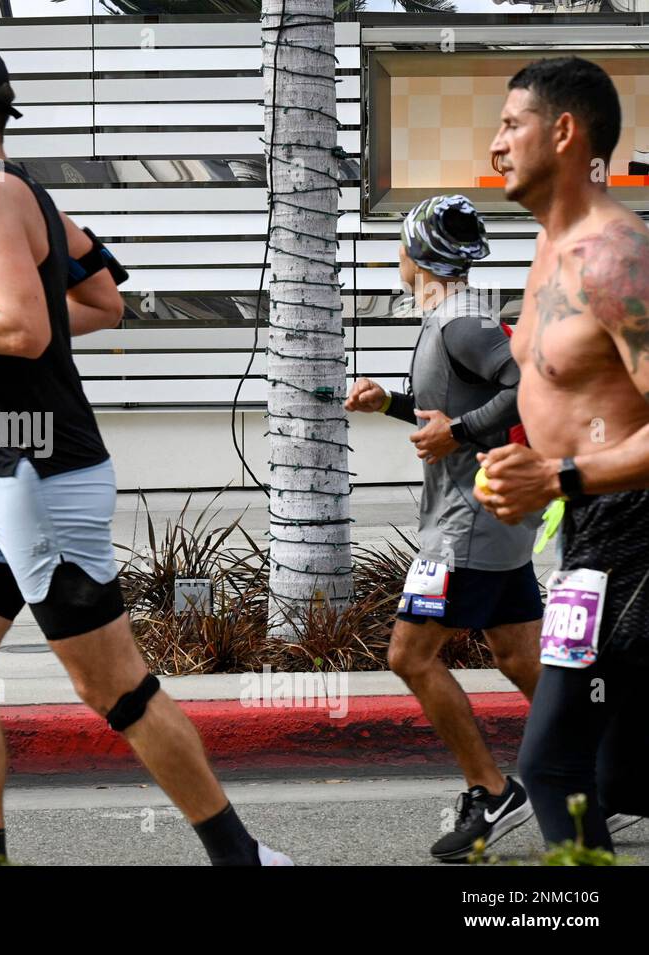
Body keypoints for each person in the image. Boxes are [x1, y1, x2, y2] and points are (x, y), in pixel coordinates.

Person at [0, 38, 291, 866]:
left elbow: (28, 331)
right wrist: (35, 299)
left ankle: (240, 856)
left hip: (42, 477)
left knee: (116, 688)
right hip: (2, 473)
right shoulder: (20, 190)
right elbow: (102, 300)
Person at [474, 56, 649, 852]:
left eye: (512, 124)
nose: (497, 144)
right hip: (584, 531)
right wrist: (511, 458)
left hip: (636, 533)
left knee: (552, 770)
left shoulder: (616, 258)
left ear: (566, 131)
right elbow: (556, 390)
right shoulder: (550, 249)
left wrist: (560, 474)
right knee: (625, 777)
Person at [346, 194, 542, 861]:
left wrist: (455, 430)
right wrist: (392, 402)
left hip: (464, 530)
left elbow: (525, 385)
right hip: (491, 522)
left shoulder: (460, 320)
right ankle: (603, 756)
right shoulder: (448, 317)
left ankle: (492, 789)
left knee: (410, 654)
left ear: (414, 255)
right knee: (519, 656)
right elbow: (451, 410)